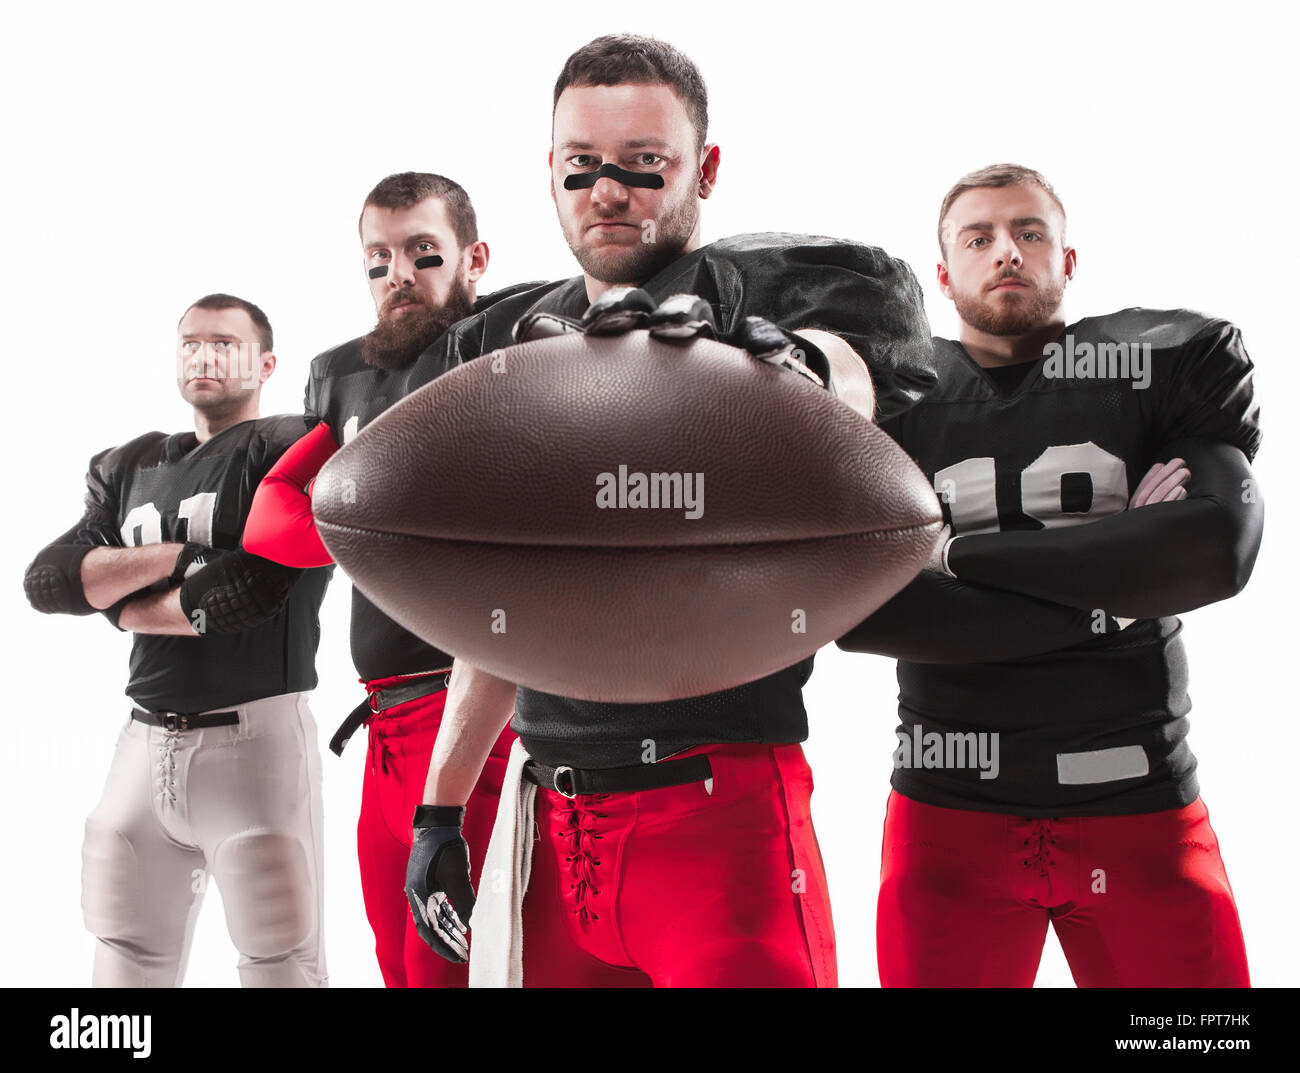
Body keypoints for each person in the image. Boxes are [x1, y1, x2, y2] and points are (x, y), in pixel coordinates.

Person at [402, 33, 935, 988]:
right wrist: (441, 806)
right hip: (554, 818)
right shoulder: (506, 338)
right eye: (582, 167)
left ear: (706, 169)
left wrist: (789, 375)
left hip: (718, 807)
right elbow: (491, 595)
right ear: (551, 172)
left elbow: (854, 370)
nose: (609, 191)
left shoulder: (752, 295)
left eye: (645, 167)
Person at [839, 164, 1262, 987]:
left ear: (1067, 261)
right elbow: (852, 613)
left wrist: (951, 555)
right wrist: (1119, 572)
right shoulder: (886, 402)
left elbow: (1217, 551)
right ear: (942, 274)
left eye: (1030, 233)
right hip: (947, 814)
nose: (1007, 252)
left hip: (1141, 807)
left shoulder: (1157, 365)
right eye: (980, 237)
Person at [242, 173, 535, 988]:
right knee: (395, 964)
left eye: (422, 252)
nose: (397, 273)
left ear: (473, 258)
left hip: (473, 707)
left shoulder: (502, 343)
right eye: (378, 259)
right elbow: (278, 523)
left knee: (452, 963)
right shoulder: (339, 374)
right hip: (380, 718)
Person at [24, 294, 331, 987]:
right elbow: (48, 582)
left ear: (267, 362)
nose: (205, 355)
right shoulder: (129, 463)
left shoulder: (289, 445)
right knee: (122, 949)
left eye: (225, 342)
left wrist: (122, 600)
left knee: (282, 957)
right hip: (140, 743)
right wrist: (178, 561)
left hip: (254, 742)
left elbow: (244, 593)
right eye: (191, 342)